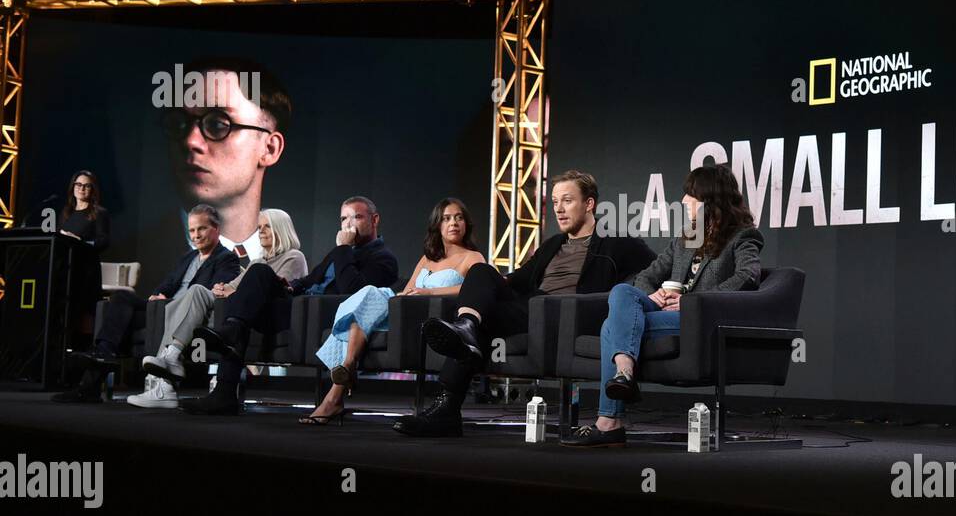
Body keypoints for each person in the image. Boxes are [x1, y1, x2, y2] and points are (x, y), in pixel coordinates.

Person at [394, 170, 655, 438]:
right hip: (531, 306)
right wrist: (483, 286)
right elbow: (516, 279)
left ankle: (448, 404)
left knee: (480, 324)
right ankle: (466, 329)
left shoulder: (617, 242)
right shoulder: (553, 244)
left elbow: (656, 270)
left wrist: (648, 296)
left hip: (568, 312)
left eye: (567, 201)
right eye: (554, 202)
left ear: (589, 204)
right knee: (481, 274)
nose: (559, 209)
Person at [563, 165, 763, 448]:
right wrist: (654, 294)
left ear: (711, 199)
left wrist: (691, 302)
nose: (682, 201)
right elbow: (645, 276)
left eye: (690, 195)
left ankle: (611, 420)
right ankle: (624, 375)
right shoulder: (687, 237)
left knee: (611, 327)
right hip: (666, 313)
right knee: (623, 291)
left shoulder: (742, 236)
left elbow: (748, 276)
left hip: (701, 320)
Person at [182, 196, 400, 415]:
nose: (349, 224)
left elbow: (354, 291)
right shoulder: (337, 253)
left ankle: (225, 384)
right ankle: (224, 387)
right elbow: (309, 280)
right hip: (296, 307)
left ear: (374, 220)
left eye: (357, 217)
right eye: (344, 218)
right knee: (258, 272)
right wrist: (291, 287)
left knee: (244, 310)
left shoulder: (384, 258)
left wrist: (344, 248)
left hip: (323, 315)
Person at [300, 198, 484, 424]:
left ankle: (340, 383)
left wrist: (428, 293)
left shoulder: (472, 257)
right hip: (404, 308)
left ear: (466, 224)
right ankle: (346, 368)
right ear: (438, 225)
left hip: (429, 313)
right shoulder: (428, 258)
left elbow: (474, 288)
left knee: (370, 300)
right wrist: (401, 298)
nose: (453, 223)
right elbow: (408, 290)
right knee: (370, 293)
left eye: (459, 218)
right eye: (446, 218)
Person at [52, 205, 240, 403]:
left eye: (201, 229)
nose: (196, 235)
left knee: (141, 312)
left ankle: (93, 384)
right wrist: (159, 294)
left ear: (216, 229)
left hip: (183, 313)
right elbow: (168, 283)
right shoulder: (188, 257)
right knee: (122, 298)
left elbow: (212, 293)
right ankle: (101, 356)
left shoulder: (226, 258)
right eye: (192, 230)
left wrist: (167, 300)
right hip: (161, 308)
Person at [127, 208, 309, 410]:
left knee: (259, 271)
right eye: (259, 227)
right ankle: (171, 356)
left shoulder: (294, 257)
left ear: (281, 229)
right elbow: (233, 287)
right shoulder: (257, 261)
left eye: (267, 227)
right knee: (196, 291)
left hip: (268, 313)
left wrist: (232, 290)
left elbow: (274, 288)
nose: (261, 232)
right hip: (242, 308)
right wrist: (222, 288)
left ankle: (167, 380)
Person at [163, 58, 290, 262]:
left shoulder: (295, 261)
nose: (190, 141)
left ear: (269, 148)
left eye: (218, 124)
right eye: (178, 123)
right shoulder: (134, 250)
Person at [58, 170, 111, 345]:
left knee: (84, 320)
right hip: (67, 270)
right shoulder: (66, 213)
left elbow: (104, 241)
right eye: (78, 185)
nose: (82, 188)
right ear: (72, 188)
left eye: (87, 185)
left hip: (86, 271)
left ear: (93, 190)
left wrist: (80, 242)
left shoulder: (98, 212)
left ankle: (83, 354)